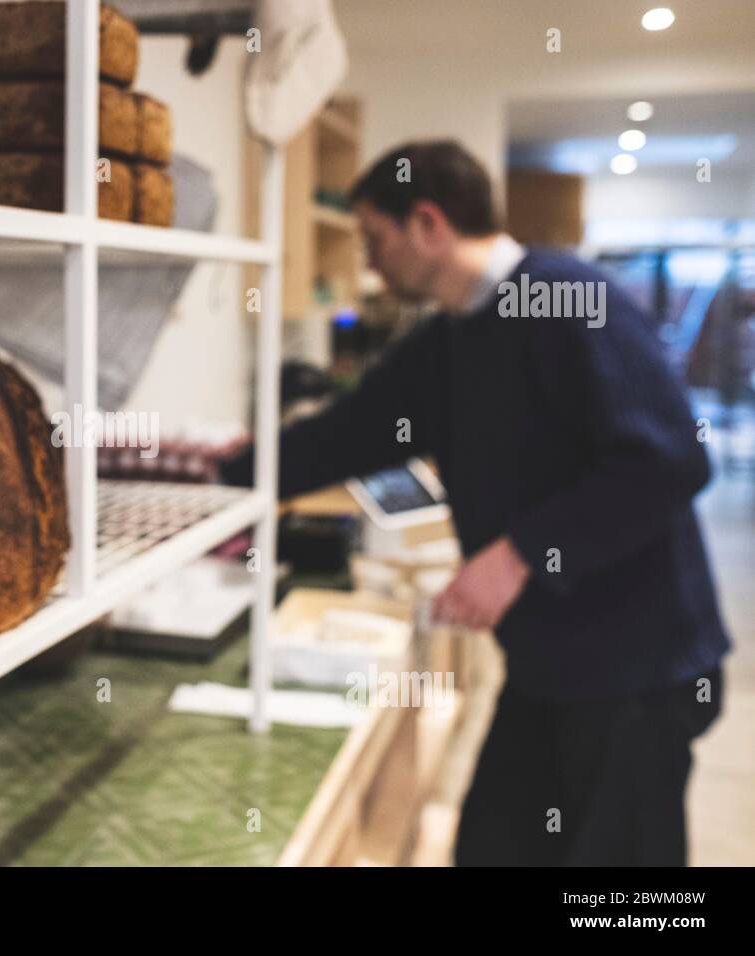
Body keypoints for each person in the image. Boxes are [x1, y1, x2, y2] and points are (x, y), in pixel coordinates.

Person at [222, 140, 730, 866]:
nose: (368, 262)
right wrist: (222, 473)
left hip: (636, 667)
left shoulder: (566, 297)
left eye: (375, 239)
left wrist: (519, 555)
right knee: (495, 846)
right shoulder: (447, 341)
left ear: (428, 222)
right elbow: (348, 436)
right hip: (549, 664)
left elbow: (668, 459)